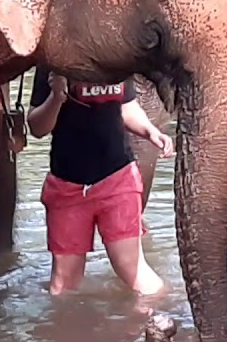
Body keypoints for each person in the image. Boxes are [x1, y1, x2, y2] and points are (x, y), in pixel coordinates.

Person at [26, 65, 174, 296]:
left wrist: (150, 131)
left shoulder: (115, 56)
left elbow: (127, 106)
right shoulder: (54, 60)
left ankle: (167, 314)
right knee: (63, 284)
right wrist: (56, 97)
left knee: (133, 270)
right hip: (67, 184)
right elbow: (37, 127)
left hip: (117, 177)